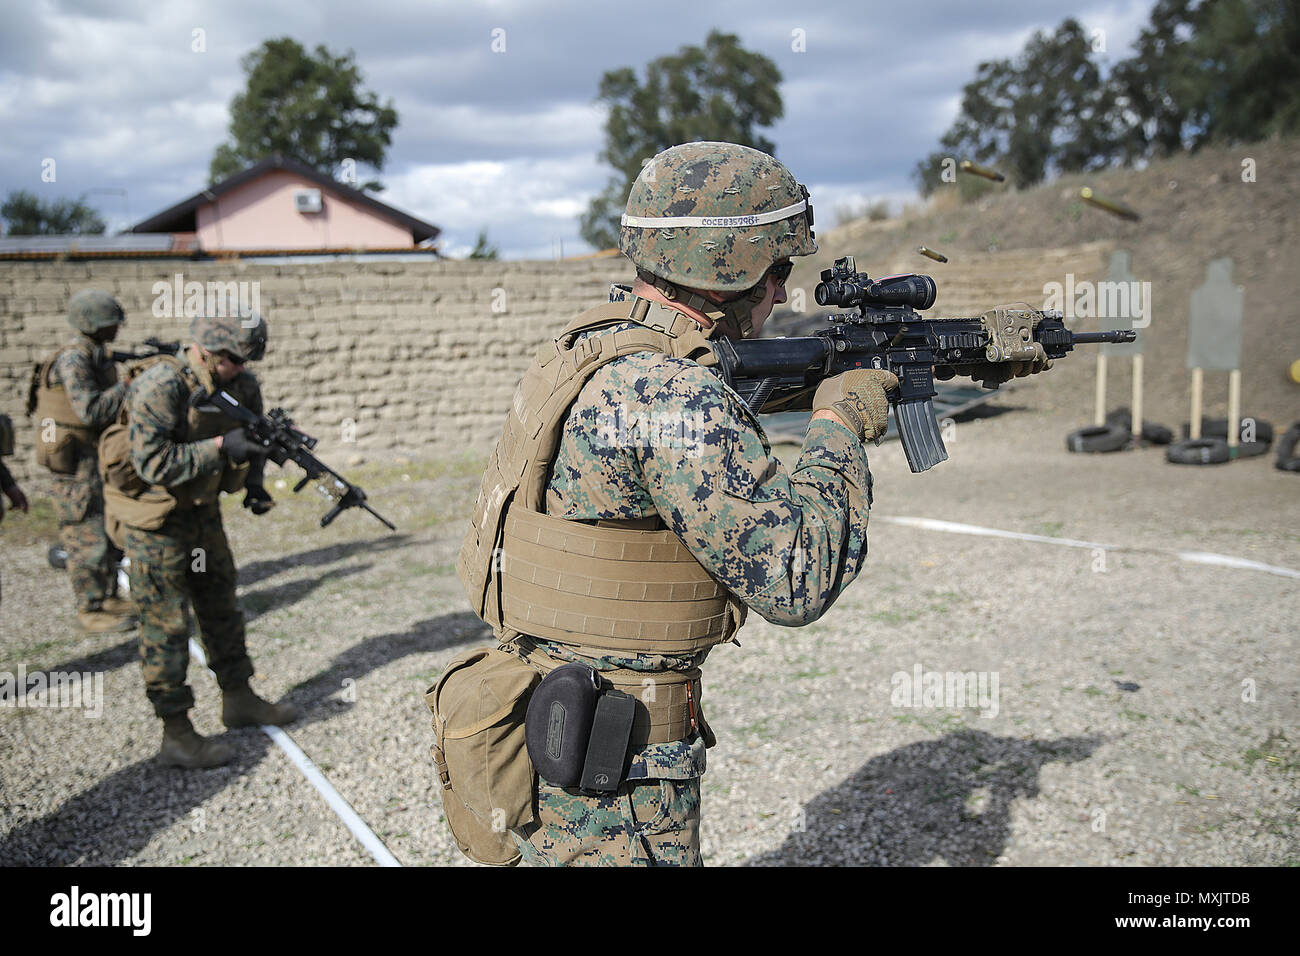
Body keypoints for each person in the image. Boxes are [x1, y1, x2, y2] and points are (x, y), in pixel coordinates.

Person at [457, 141, 904, 866]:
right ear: (729, 268)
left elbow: (695, 420)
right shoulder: (677, 396)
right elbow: (798, 577)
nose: (784, 294)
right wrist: (837, 426)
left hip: (548, 721)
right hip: (622, 768)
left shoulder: (594, 352)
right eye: (778, 271)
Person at [110, 311, 296, 769]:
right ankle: (176, 731)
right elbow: (152, 463)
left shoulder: (241, 381)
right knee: (166, 625)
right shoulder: (160, 385)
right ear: (206, 351)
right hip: (156, 522)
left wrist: (254, 478)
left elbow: (252, 434)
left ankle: (238, 697)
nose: (240, 369)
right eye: (233, 360)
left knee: (221, 606)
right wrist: (217, 449)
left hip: (203, 514)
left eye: (247, 360)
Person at [29, 289, 135, 632]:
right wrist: (129, 386)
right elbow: (90, 410)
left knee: (104, 530)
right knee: (84, 534)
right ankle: (89, 609)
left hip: (94, 457)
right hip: (76, 464)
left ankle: (106, 596)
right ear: (93, 324)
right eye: (111, 322)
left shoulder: (95, 353)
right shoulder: (75, 358)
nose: (117, 328)